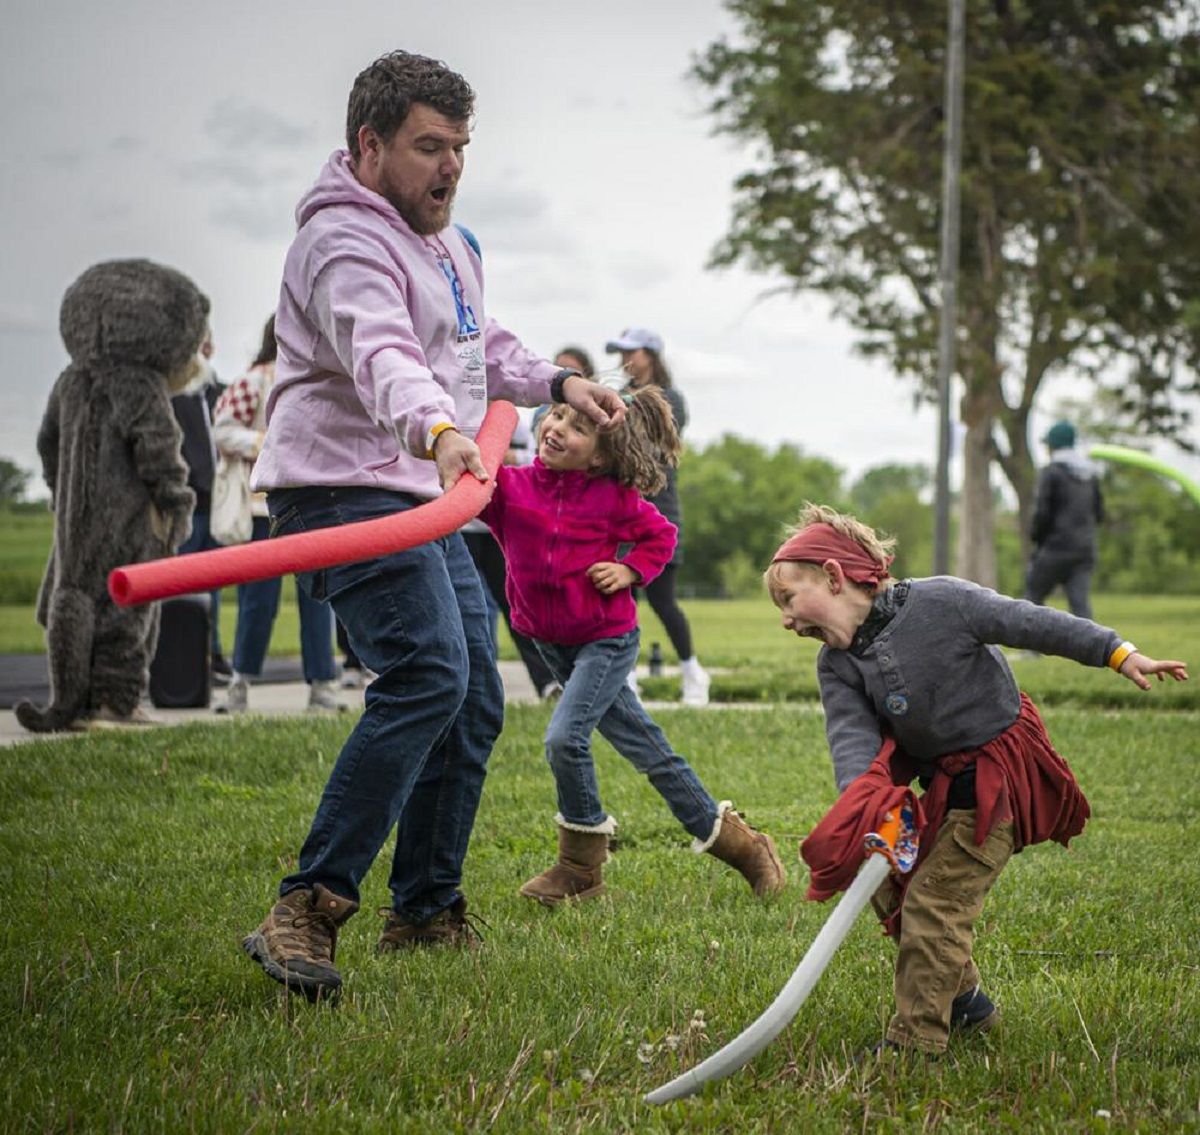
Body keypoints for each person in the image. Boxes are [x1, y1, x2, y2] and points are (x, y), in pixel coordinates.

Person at [239, 49, 626, 1001]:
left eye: (460, 146)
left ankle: (424, 910)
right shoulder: (341, 244)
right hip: (341, 489)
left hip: (424, 491)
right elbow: (383, 357)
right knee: (428, 671)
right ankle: (307, 905)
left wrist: (559, 381)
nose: (449, 167)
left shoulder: (448, 242)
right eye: (427, 147)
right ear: (368, 145)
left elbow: (476, 344)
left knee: (475, 695)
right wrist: (444, 430)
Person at [764, 503, 1188, 1056]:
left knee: (933, 905)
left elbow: (1033, 622)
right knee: (890, 881)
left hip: (998, 783)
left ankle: (916, 1043)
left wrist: (1116, 651)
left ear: (836, 576)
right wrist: (865, 808)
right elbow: (852, 741)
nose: (787, 621)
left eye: (790, 600)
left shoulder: (942, 601)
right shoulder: (837, 663)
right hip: (938, 788)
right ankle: (968, 1006)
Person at [482, 387, 787, 905]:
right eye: (555, 416)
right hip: (549, 643)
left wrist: (629, 569)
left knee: (563, 738)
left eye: (578, 428)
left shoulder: (612, 498)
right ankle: (745, 848)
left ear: (600, 454)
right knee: (648, 748)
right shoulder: (511, 488)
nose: (558, 428)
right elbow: (463, 490)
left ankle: (580, 868)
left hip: (606, 640)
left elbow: (661, 537)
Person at [15, 259, 205, 732]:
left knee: (75, 600)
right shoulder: (139, 383)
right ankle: (116, 703)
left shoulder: (70, 379)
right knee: (129, 608)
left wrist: (63, 494)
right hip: (132, 518)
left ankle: (70, 703)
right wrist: (176, 503)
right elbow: (158, 448)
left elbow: (47, 443)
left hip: (76, 522)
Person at [210, 316, 343, 714]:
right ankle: (239, 684)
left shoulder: (318, 380)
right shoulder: (254, 380)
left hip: (312, 504)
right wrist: (263, 443)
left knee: (318, 598)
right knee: (257, 601)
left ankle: (322, 686)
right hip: (260, 508)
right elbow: (222, 429)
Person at [606, 327, 711, 706]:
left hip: (660, 513)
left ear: (651, 355)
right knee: (623, 601)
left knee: (663, 601)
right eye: (621, 353)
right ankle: (628, 678)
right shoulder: (618, 397)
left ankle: (692, 673)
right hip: (621, 515)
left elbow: (647, 444)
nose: (624, 360)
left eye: (630, 352)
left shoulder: (672, 400)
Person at [460, 414, 561, 699]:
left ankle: (547, 681)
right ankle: (473, 686)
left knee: (517, 606)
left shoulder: (511, 418)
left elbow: (536, 456)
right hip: (458, 524)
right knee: (466, 608)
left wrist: (504, 454)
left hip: (498, 526)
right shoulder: (454, 406)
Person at [171, 310, 231, 681]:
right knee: (179, 584)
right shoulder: (174, 398)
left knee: (213, 587)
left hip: (219, 505)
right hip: (188, 504)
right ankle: (179, 659)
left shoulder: (220, 394)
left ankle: (212, 654)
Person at [1026, 419, 1104, 619]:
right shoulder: (1090, 474)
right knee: (1080, 604)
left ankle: (1031, 648)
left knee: (1033, 594)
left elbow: (1042, 513)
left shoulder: (1051, 472)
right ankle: (1090, 649)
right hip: (1084, 549)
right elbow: (1099, 513)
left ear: (1052, 446)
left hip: (1056, 548)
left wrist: (1035, 538)